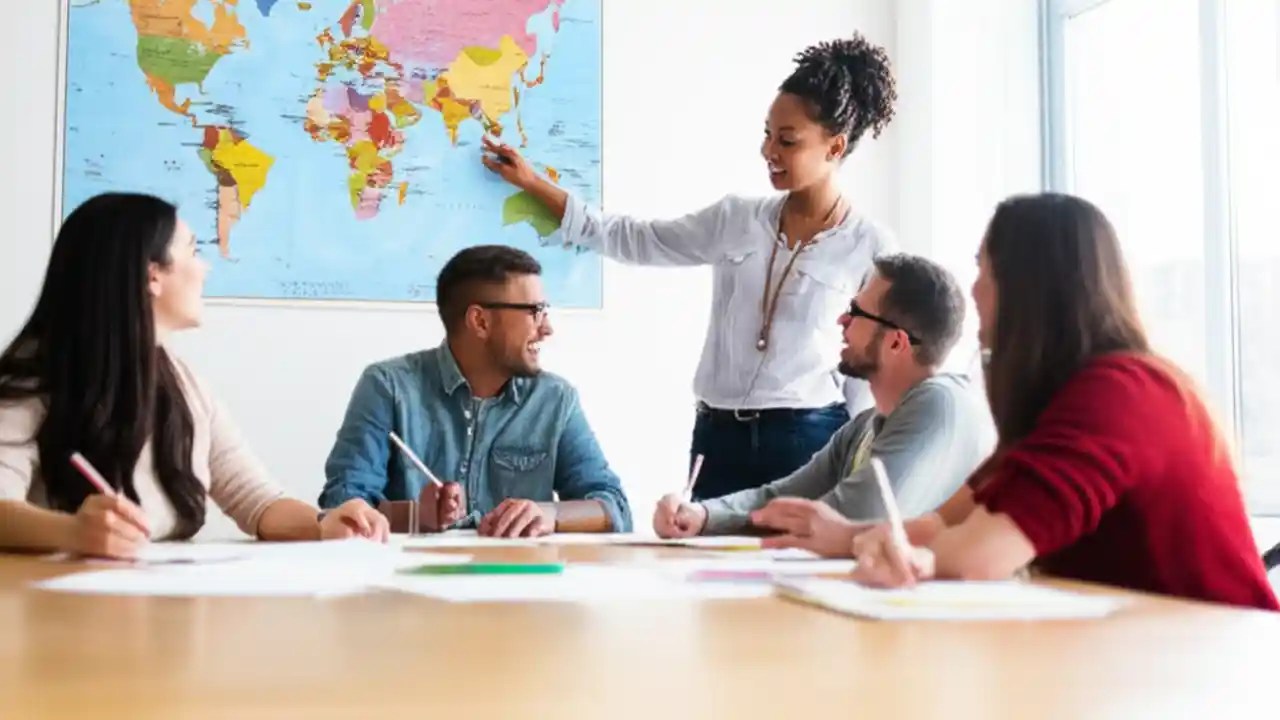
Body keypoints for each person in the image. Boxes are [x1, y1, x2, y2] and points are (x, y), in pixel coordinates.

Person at [482, 34, 898, 500]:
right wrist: (534, 184)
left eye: (787, 140)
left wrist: (862, 474)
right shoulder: (735, 219)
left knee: (795, 571)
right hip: (717, 439)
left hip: (809, 439)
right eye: (766, 134)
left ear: (835, 147)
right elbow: (637, 239)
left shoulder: (872, 246)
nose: (768, 151)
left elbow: (868, 371)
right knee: (704, 569)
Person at [849, 193, 1279, 611]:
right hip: (1149, 657)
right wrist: (845, 537)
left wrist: (906, 558)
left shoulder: (1118, 394)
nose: (974, 289)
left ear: (1026, 285)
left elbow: (974, 558)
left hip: (1218, 661)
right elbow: (943, 524)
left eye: (983, 268)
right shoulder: (1075, 396)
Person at [0, 193, 387, 560]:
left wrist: (325, 525)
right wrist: (72, 533)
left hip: (157, 607)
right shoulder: (30, 379)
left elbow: (256, 499)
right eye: (193, 251)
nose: (206, 268)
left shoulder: (184, 383)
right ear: (152, 276)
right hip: (56, 610)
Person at [652, 254, 993, 556]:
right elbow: (782, 495)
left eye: (856, 312)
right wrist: (701, 515)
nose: (841, 322)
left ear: (895, 342)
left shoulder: (943, 403)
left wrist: (761, 521)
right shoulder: (864, 426)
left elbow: (857, 515)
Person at [318, 245, 632, 537]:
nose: (546, 328)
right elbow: (342, 505)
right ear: (479, 321)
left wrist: (551, 514)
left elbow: (614, 507)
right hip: (411, 587)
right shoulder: (388, 387)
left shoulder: (555, 399)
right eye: (534, 312)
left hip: (522, 586)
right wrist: (416, 516)